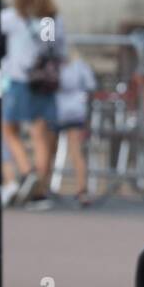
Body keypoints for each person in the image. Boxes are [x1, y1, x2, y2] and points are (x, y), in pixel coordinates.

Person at [0, 0, 66, 208]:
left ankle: (27, 172)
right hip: (44, 80)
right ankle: (40, 190)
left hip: (20, 80)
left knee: (8, 129)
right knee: (40, 134)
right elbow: (55, 49)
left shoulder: (13, 18)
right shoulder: (50, 19)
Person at [54, 48, 97, 207]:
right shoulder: (80, 65)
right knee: (76, 151)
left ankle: (43, 188)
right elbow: (91, 85)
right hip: (76, 111)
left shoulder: (56, 64)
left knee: (50, 149)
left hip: (57, 109)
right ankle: (81, 190)